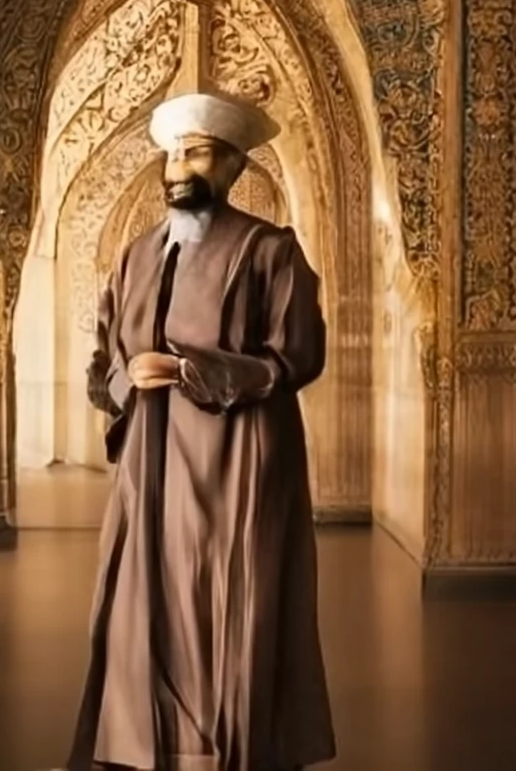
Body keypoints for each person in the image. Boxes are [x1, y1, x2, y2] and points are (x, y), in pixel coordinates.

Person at [69, 91, 335, 771]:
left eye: (196, 152)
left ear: (233, 165)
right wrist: (132, 380)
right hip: (149, 471)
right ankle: (144, 747)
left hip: (238, 467)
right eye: (172, 152)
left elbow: (295, 358)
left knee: (221, 602)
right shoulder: (134, 258)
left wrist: (195, 369)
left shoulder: (270, 252)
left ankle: (229, 752)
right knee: (145, 602)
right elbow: (103, 367)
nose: (178, 166)